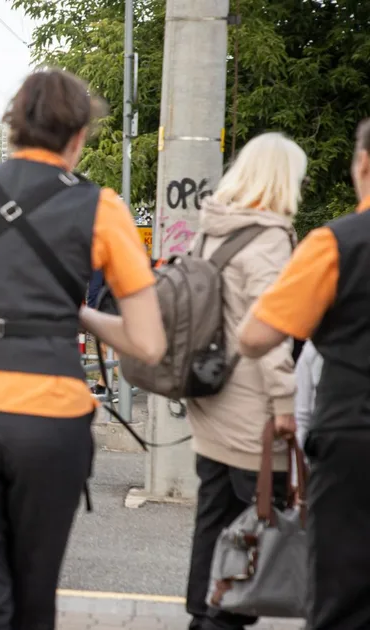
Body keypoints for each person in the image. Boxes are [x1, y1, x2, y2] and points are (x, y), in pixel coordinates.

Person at [0, 69, 166, 630]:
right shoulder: (102, 207)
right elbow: (147, 340)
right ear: (78, 138)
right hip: (50, 421)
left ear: (12, 129)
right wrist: (79, 313)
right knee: (31, 603)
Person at [238, 119, 370, 630]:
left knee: (342, 592)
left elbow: (255, 335)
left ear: (362, 164)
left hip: (353, 438)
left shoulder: (335, 243)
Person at [181, 132, 305, 630]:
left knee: (213, 516)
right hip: (252, 411)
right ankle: (224, 616)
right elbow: (272, 331)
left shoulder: (212, 229)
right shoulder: (269, 239)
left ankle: (200, 612)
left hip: (210, 399)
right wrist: (285, 404)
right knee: (256, 523)